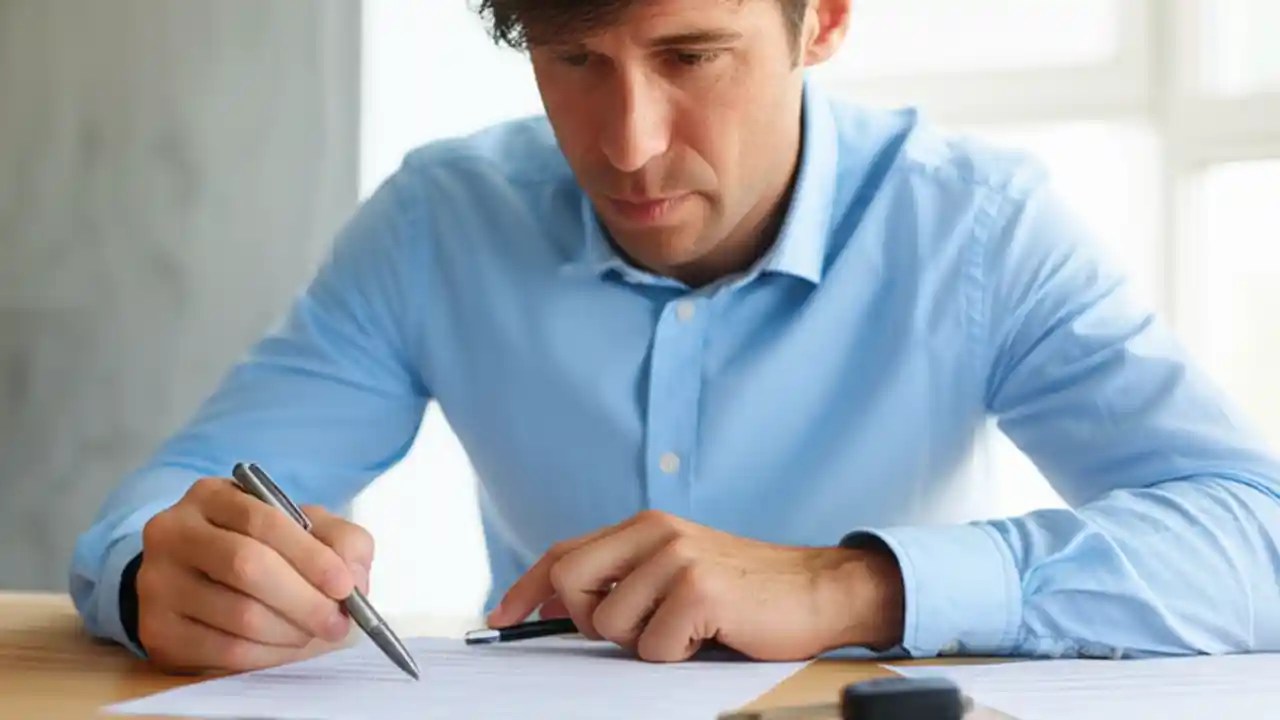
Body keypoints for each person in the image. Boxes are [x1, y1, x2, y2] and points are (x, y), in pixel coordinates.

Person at [71, 0, 1280, 673]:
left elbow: (1258, 540)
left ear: (824, 22)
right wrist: (161, 576)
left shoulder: (974, 229)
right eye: (574, 59)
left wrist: (851, 583)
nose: (629, 143)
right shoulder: (439, 222)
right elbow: (161, 510)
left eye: (690, 56)